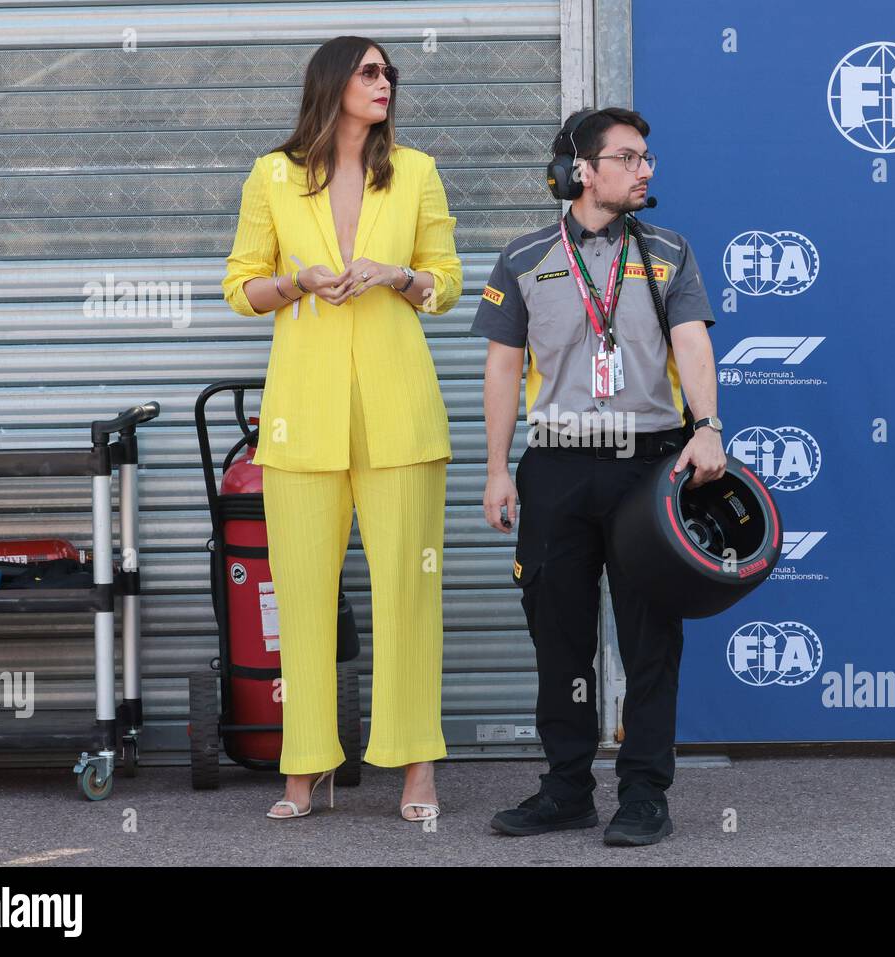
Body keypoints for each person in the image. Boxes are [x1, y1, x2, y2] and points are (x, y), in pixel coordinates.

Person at [221, 35, 461, 822]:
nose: (385, 82)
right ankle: (304, 769)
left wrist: (399, 276)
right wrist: (297, 282)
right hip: (304, 416)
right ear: (333, 84)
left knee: (408, 594)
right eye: (369, 71)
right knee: (300, 599)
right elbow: (240, 287)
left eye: (389, 72)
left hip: (401, 414)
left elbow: (448, 285)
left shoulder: (416, 171)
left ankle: (417, 769)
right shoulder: (273, 175)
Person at [472, 107, 726, 846]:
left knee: (651, 639)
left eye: (647, 157)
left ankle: (644, 793)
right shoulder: (524, 257)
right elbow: (502, 369)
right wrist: (497, 469)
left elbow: (692, 345)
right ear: (580, 171)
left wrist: (707, 426)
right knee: (560, 639)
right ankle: (566, 789)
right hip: (555, 467)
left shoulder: (669, 251)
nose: (645, 169)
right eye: (628, 157)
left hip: (650, 470)